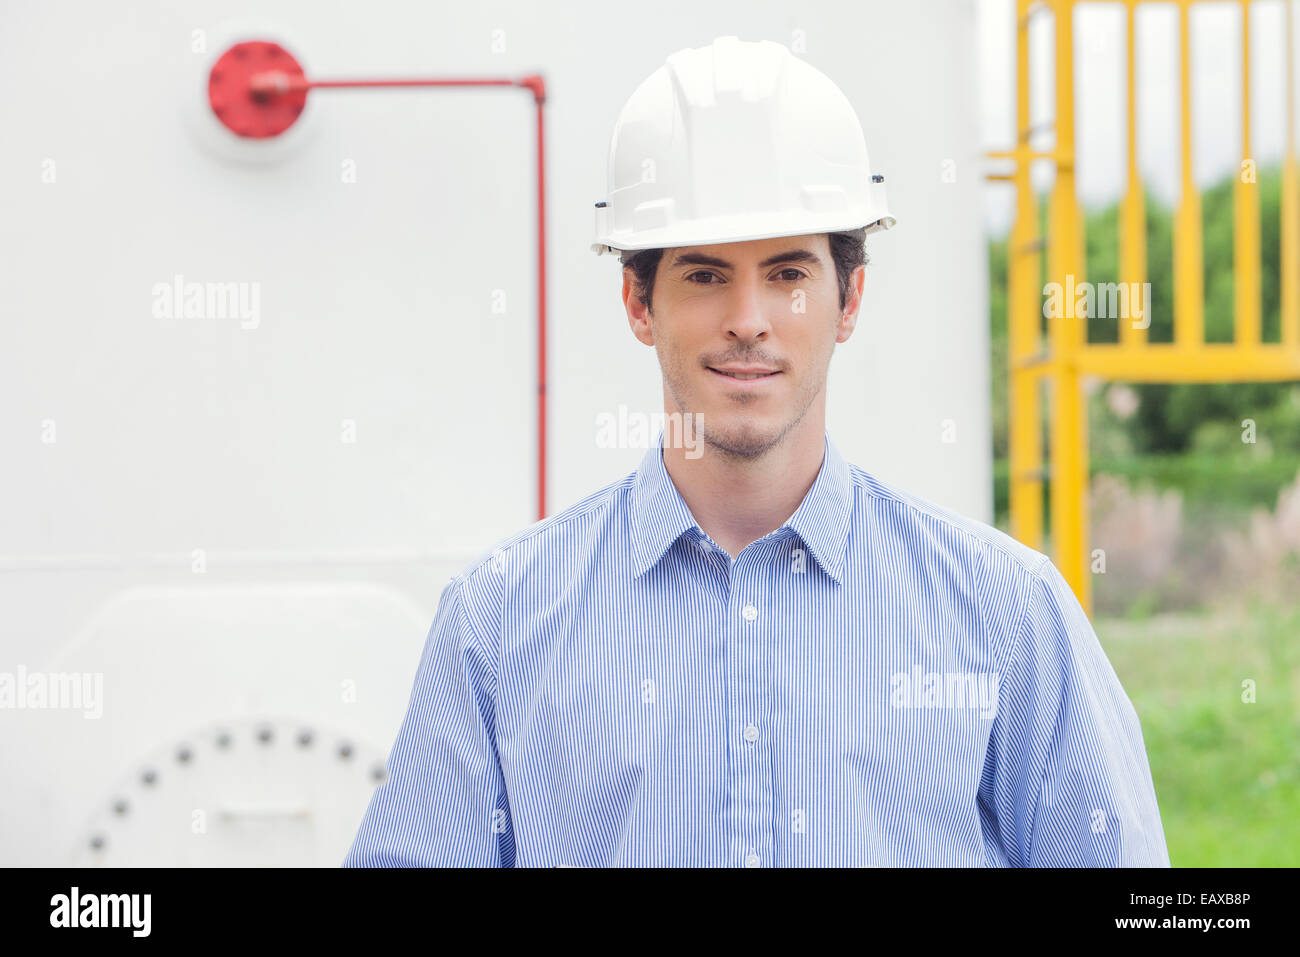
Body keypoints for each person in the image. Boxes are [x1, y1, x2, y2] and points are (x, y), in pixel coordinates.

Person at [343, 35, 1170, 867]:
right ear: (638, 301)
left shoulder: (1005, 611)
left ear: (849, 298)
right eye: (705, 276)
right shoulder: (498, 620)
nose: (749, 318)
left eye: (787, 274)